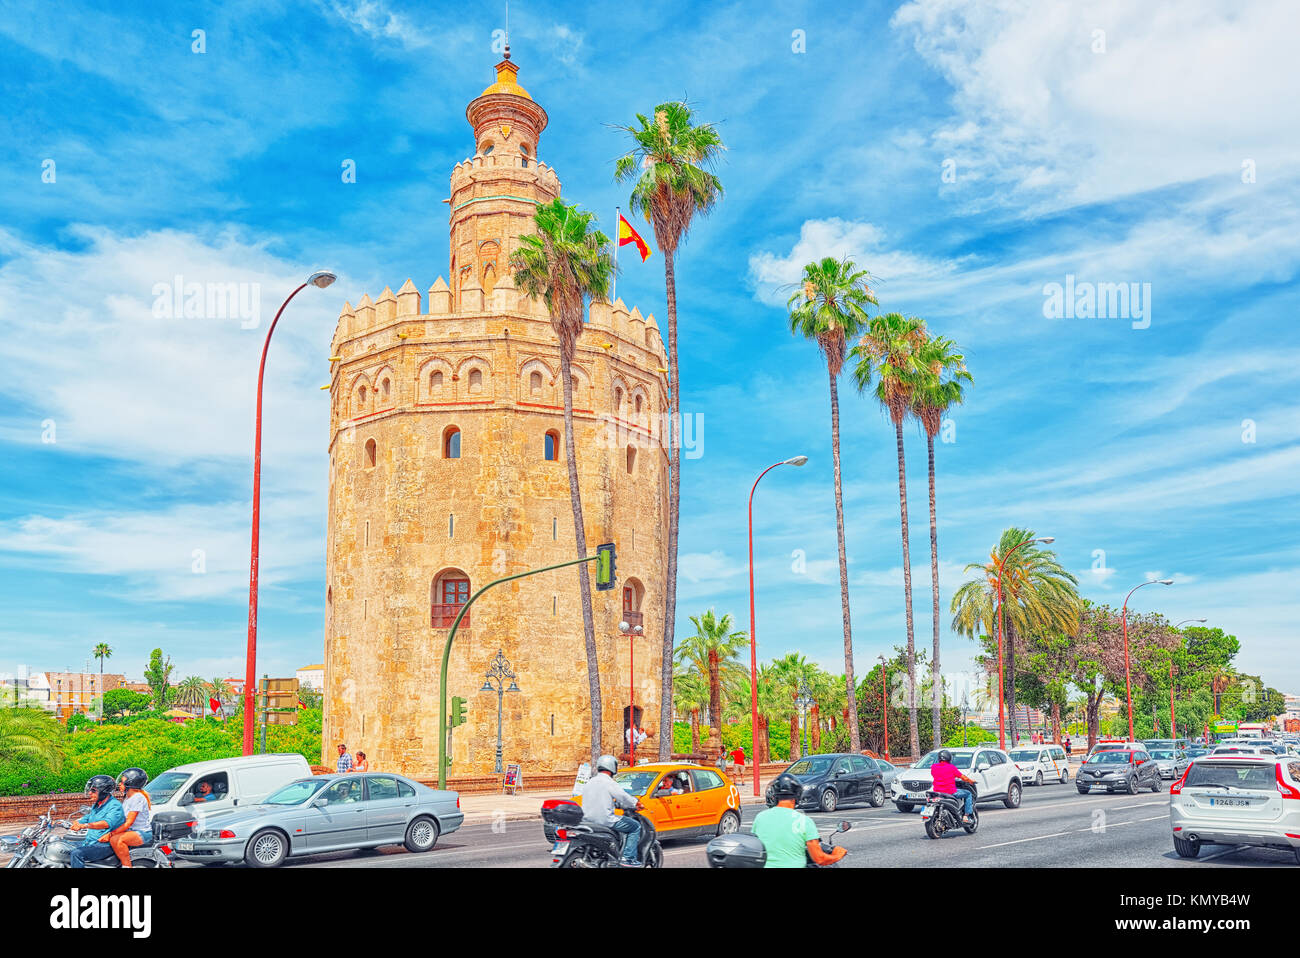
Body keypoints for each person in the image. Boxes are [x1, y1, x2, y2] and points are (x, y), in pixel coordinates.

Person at [750, 777, 845, 868]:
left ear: (774, 795)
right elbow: (819, 859)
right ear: (798, 795)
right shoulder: (803, 821)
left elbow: (753, 844)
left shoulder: (760, 817)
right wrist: (837, 855)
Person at [579, 754, 643, 867]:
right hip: (605, 820)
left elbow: (598, 799)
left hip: (587, 820)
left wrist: (613, 804)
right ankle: (627, 858)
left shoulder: (590, 782)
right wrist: (636, 803)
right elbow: (623, 797)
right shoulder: (609, 782)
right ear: (612, 767)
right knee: (635, 826)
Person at [67, 774, 125, 868]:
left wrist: (84, 826)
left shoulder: (115, 805)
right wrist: (77, 822)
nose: (90, 793)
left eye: (93, 790)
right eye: (90, 790)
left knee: (77, 853)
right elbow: (90, 816)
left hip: (105, 845)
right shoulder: (97, 804)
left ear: (103, 791)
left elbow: (106, 823)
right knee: (62, 844)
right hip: (90, 841)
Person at [108, 767, 152, 868]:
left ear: (131, 783)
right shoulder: (128, 797)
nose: (119, 784)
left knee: (116, 839)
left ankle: (127, 866)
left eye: (122, 782)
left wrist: (111, 833)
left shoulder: (138, 797)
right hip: (131, 832)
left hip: (141, 833)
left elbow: (128, 822)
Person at [930, 749, 975, 824]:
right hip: (950, 792)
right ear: (949, 758)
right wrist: (971, 781)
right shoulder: (951, 767)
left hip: (937, 792)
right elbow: (962, 777)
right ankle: (966, 816)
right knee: (968, 794)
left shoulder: (933, 767)